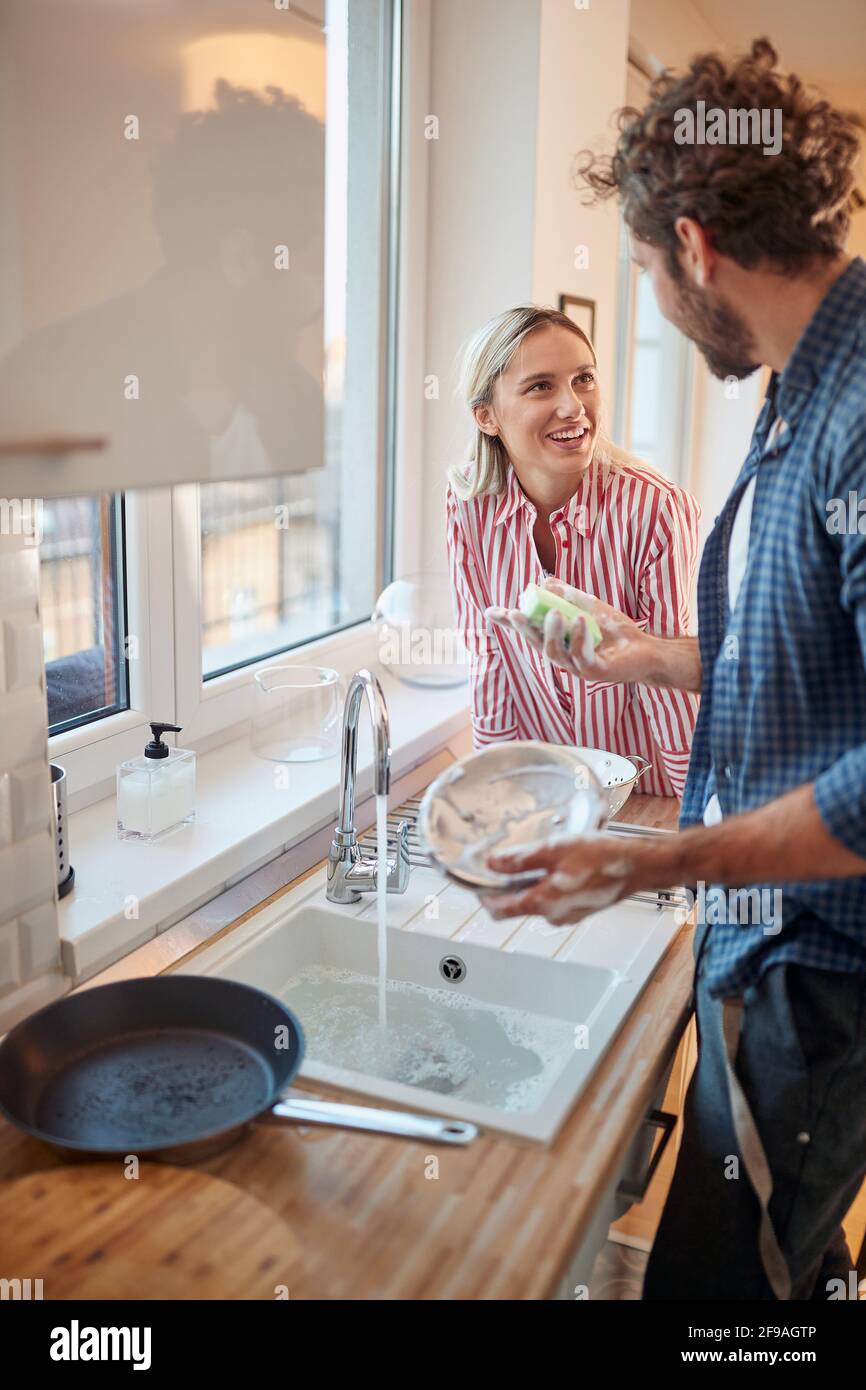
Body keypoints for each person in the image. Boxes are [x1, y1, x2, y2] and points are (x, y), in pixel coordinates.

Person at [483, 37, 866, 1301]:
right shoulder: (793, 394)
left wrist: (666, 857)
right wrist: (655, 656)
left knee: (721, 1292)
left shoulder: (856, 412)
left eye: (645, 269)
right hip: (769, 946)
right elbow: (818, 666)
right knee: (782, 1257)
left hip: (819, 968)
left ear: (694, 248)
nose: (652, 299)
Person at [447, 305, 701, 797]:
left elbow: (665, 676)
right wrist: (498, 789)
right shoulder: (467, 505)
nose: (574, 406)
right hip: (545, 788)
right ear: (487, 416)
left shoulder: (657, 508)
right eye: (541, 386)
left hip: (649, 786)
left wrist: (685, 814)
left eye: (583, 378)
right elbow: (487, 656)